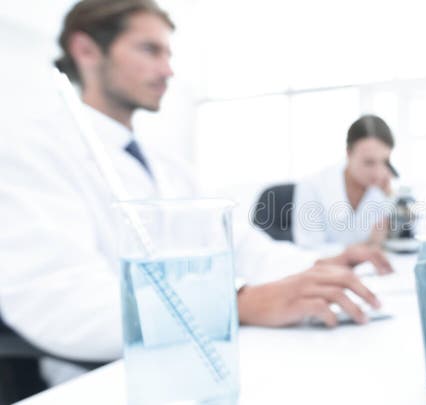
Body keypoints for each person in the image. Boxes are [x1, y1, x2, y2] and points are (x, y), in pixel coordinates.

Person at [0, 0, 389, 386]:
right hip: (105, 378)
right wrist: (236, 304)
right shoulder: (31, 154)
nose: (168, 70)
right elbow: (64, 303)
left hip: (206, 358)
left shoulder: (169, 165)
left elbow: (246, 250)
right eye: (149, 49)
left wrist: (326, 261)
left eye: (168, 53)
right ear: (85, 50)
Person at [292, 115, 396, 249]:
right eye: (369, 162)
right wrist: (366, 247)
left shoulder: (383, 190)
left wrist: (391, 198)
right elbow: (308, 249)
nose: (378, 172)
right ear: (348, 153)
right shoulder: (312, 185)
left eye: (384, 161)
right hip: (325, 269)